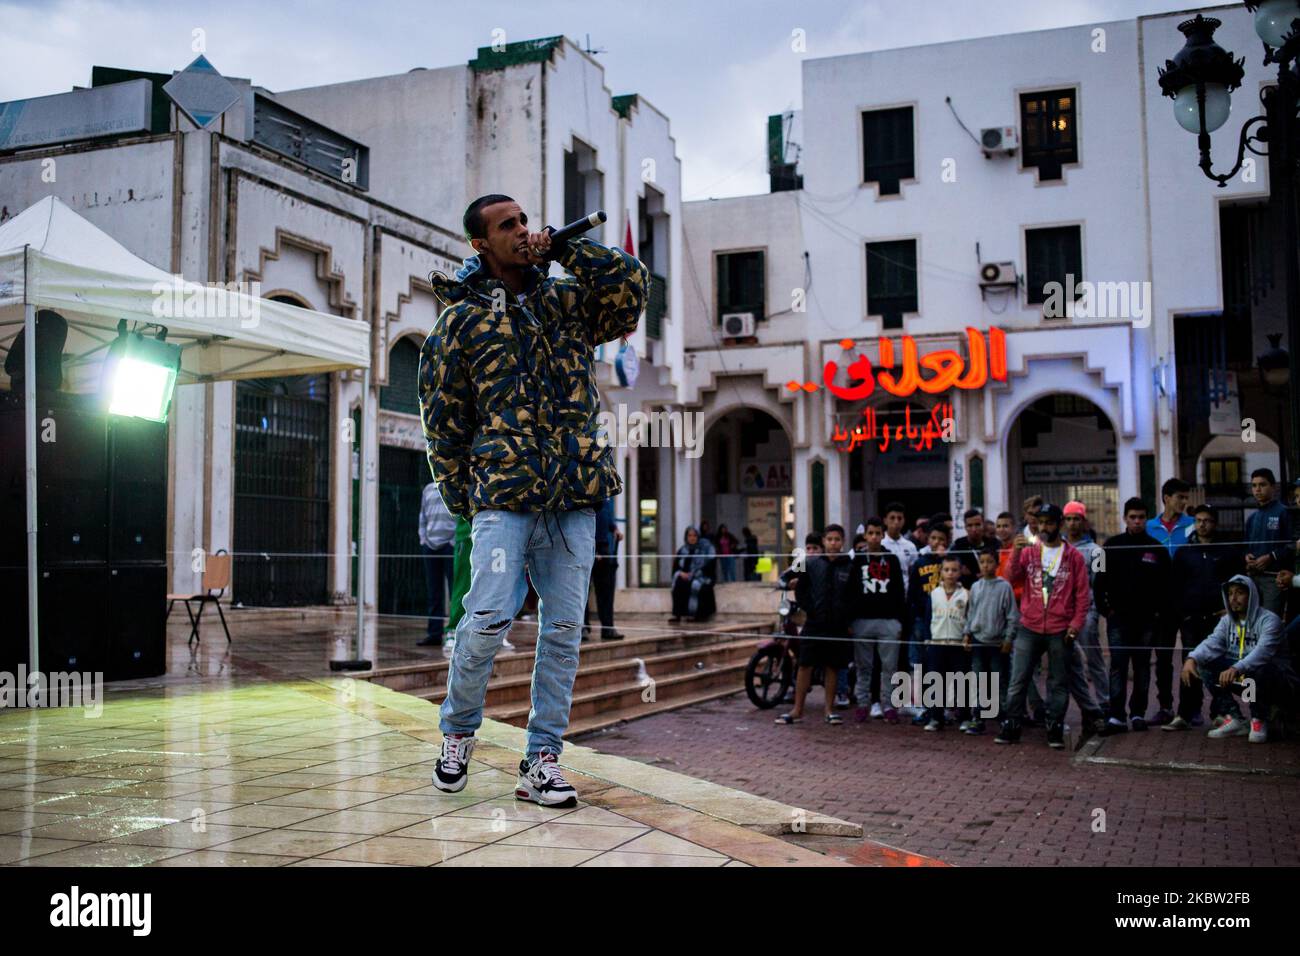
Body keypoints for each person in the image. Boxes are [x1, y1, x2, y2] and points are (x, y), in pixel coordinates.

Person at [421, 193, 647, 805]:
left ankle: (542, 758)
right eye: (507, 225)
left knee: (565, 628)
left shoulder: (567, 300)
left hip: (574, 492)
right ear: (480, 244)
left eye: (524, 220)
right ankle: (458, 732)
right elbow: (444, 424)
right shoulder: (461, 322)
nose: (522, 230)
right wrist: (467, 502)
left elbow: (631, 290)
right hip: (502, 494)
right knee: (487, 616)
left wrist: (570, 250)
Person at [998, 503, 1097, 749]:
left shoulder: (1073, 556)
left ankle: (1054, 727)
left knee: (1058, 682)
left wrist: (1075, 624)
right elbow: (1010, 577)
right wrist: (1015, 552)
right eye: (1040, 523)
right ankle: (1011, 725)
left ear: (1059, 524)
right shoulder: (1030, 552)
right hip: (1029, 626)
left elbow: (1082, 595)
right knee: (1018, 679)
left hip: (1060, 628)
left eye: (1049, 523)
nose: (1043, 528)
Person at [1184, 576, 1299, 743]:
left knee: (1259, 668)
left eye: (1239, 593)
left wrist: (1236, 668)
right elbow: (1212, 642)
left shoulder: (1269, 620)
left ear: (1252, 596)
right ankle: (1236, 719)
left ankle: (1258, 719)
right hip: (1246, 679)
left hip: (1278, 681)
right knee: (1205, 664)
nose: (1233, 598)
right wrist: (1192, 658)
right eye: (1230, 593)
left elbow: (1262, 653)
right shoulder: (1227, 621)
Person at [1094, 497, 1171, 734]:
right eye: (1133, 517)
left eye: (1141, 517)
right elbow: (1098, 581)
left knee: (1142, 667)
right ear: (1125, 518)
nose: (1137, 521)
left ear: (1146, 519)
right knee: (1117, 666)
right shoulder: (1109, 546)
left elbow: (1167, 585)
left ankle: (1138, 713)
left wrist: (1158, 613)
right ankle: (1116, 715)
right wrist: (1106, 610)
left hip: (1147, 621)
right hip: (1118, 619)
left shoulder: (1157, 549)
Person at [1164, 504, 1244, 731]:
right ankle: (1185, 713)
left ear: (1214, 523)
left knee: (1218, 665)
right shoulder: (1184, 552)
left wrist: (1230, 611)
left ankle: (1220, 713)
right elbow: (1175, 585)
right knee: (1189, 662)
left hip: (1219, 619)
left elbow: (1240, 583)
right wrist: (1182, 614)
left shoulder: (1228, 551)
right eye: (1198, 520)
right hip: (1191, 619)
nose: (1202, 524)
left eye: (1207, 520)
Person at [777, 525, 854, 726]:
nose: (833, 543)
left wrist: (846, 617)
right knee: (804, 664)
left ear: (842, 542)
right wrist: (810, 608)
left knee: (832, 666)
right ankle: (797, 710)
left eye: (837, 539)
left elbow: (853, 595)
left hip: (837, 625)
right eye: (830, 539)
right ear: (824, 542)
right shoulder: (811, 563)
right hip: (814, 623)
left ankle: (829, 710)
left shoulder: (848, 565)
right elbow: (798, 587)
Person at [1144, 477, 1196, 723]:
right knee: (1163, 656)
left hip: (1187, 599)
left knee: (1192, 654)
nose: (1184, 502)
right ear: (1166, 498)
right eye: (1180, 497)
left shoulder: (1192, 525)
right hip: (1161, 601)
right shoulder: (1149, 527)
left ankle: (1191, 709)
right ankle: (1165, 707)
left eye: (1186, 498)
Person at [847, 517, 906, 724]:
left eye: (877, 533)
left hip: (888, 621)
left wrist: (899, 621)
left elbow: (899, 591)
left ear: (883, 535)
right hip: (862, 621)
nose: (874, 537)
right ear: (865, 535)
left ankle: (888, 705)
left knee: (889, 667)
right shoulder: (857, 560)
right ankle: (863, 704)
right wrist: (850, 620)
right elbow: (850, 590)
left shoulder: (892, 560)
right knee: (863, 666)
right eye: (870, 533)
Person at [963, 549, 1018, 734]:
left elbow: (1012, 616)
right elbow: (971, 612)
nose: (986, 565)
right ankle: (978, 717)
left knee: (999, 678)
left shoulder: (1004, 587)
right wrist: (967, 633)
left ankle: (1003, 715)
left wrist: (1009, 638)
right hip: (978, 640)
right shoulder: (976, 587)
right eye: (982, 562)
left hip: (997, 643)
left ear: (997, 564)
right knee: (979, 678)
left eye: (989, 561)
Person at [1062, 501, 1109, 709]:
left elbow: (1101, 584)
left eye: (1076, 519)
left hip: (1087, 612)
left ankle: (1105, 702)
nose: (1072, 523)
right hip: (1062, 613)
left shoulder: (1097, 551)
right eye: (1069, 519)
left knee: (1093, 658)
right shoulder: (1056, 549)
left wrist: (1096, 611)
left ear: (1084, 521)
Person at [919, 555, 970, 731]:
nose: (950, 573)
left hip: (958, 644)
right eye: (947, 570)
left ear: (960, 572)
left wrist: (967, 636)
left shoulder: (965, 594)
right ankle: (936, 717)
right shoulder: (934, 594)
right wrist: (928, 639)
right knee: (936, 681)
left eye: (954, 570)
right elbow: (928, 618)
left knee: (961, 681)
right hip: (937, 643)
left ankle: (964, 717)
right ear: (941, 572)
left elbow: (969, 617)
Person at [905, 523, 950, 719]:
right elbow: (912, 592)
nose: (937, 542)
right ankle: (918, 702)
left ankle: (941, 703)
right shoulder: (920, 562)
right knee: (918, 660)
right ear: (927, 540)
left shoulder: (950, 563)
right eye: (933, 538)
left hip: (944, 619)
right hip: (921, 619)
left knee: (941, 661)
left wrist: (944, 560)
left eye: (941, 539)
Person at [1245, 468, 1292, 616]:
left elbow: (1292, 544)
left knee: (1270, 620)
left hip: (1274, 578)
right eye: (1254, 485)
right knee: (1253, 620)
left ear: (1273, 487)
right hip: (1253, 577)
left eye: (1262, 484)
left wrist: (1272, 556)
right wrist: (1247, 557)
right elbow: (1246, 546)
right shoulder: (1252, 518)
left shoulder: (1284, 512)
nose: (1257, 489)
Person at [418, 481, 457, 648]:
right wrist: (423, 540)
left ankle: (455, 632)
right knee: (433, 591)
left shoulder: (455, 485)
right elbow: (422, 516)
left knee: (455, 591)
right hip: (430, 546)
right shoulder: (428, 489)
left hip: (451, 546)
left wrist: (454, 542)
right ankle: (434, 634)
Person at [583, 496, 623, 642]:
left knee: (606, 592)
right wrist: (593, 551)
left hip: (603, 547)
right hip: (587, 546)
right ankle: (582, 627)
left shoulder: (605, 497)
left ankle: (608, 628)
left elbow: (606, 516)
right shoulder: (587, 495)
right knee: (582, 592)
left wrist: (614, 528)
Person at [670, 526, 717, 623]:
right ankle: (678, 615)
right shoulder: (682, 550)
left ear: (698, 536)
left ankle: (696, 615)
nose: (692, 538)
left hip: (702, 576)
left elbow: (709, 567)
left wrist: (695, 574)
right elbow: (676, 567)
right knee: (679, 583)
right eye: (690, 535)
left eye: (694, 535)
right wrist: (681, 573)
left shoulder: (705, 549)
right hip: (686, 576)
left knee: (696, 585)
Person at [444, 514, 473, 658]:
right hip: (467, 537)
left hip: (491, 537)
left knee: (493, 587)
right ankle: (453, 630)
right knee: (462, 586)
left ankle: (497, 631)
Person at [951, 507, 997, 586]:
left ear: (983, 525)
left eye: (977, 525)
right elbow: (956, 573)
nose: (974, 529)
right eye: (970, 525)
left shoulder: (993, 544)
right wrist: (975, 577)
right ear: (965, 527)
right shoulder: (958, 546)